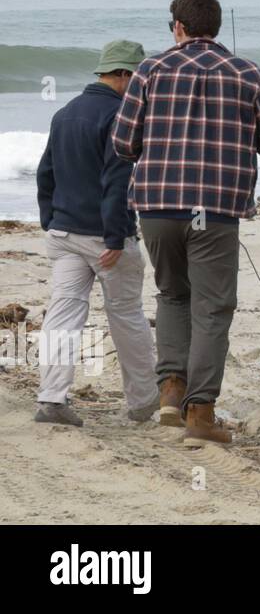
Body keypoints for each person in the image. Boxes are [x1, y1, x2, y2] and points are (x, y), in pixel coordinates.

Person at [112, 0, 260, 447]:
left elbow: (122, 142)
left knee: (172, 294)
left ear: (178, 26)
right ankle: (201, 410)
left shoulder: (150, 71)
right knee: (212, 308)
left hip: (157, 206)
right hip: (215, 209)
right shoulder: (249, 73)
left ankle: (170, 391)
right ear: (214, 24)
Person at [34, 41, 158, 426]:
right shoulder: (121, 115)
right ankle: (143, 402)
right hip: (104, 238)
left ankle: (52, 400)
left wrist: (51, 221)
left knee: (63, 312)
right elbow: (116, 183)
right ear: (124, 76)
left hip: (64, 232)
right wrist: (115, 237)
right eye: (138, 77)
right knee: (126, 316)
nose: (142, 85)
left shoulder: (65, 112)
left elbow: (46, 174)